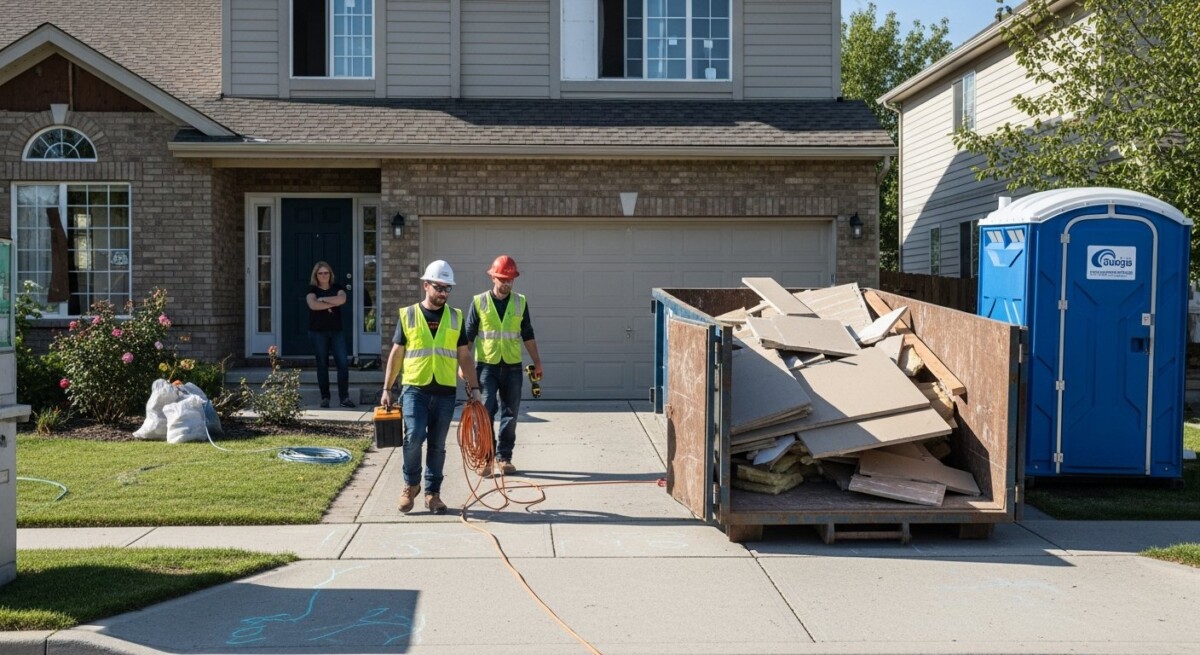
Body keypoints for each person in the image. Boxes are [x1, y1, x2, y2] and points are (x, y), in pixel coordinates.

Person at [381, 260, 482, 514]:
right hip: (415, 387)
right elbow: (397, 353)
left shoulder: (456, 317)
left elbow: (464, 356)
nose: (444, 293)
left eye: (448, 289)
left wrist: (475, 388)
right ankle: (410, 484)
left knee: (437, 445)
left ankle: (432, 494)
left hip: (445, 390)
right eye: (439, 287)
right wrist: (387, 388)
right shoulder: (409, 314)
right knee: (413, 437)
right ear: (426, 285)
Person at [464, 255, 543, 477]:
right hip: (486, 366)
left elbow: (527, 333)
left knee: (511, 413)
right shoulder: (479, 302)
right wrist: (463, 364)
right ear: (493, 278)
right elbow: (468, 336)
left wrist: (537, 361)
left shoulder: (520, 302)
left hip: (512, 366)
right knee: (485, 411)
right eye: (503, 279)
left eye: (510, 279)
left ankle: (504, 457)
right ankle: (486, 458)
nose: (507, 283)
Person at [306, 261, 355, 409]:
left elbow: (342, 299)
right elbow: (312, 305)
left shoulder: (337, 287)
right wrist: (332, 303)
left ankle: (344, 398)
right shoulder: (312, 290)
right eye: (320, 273)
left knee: (343, 364)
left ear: (330, 274)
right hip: (317, 331)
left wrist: (322, 300)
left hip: (336, 331)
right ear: (316, 275)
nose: (323, 275)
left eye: (326, 273)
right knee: (322, 364)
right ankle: (325, 397)